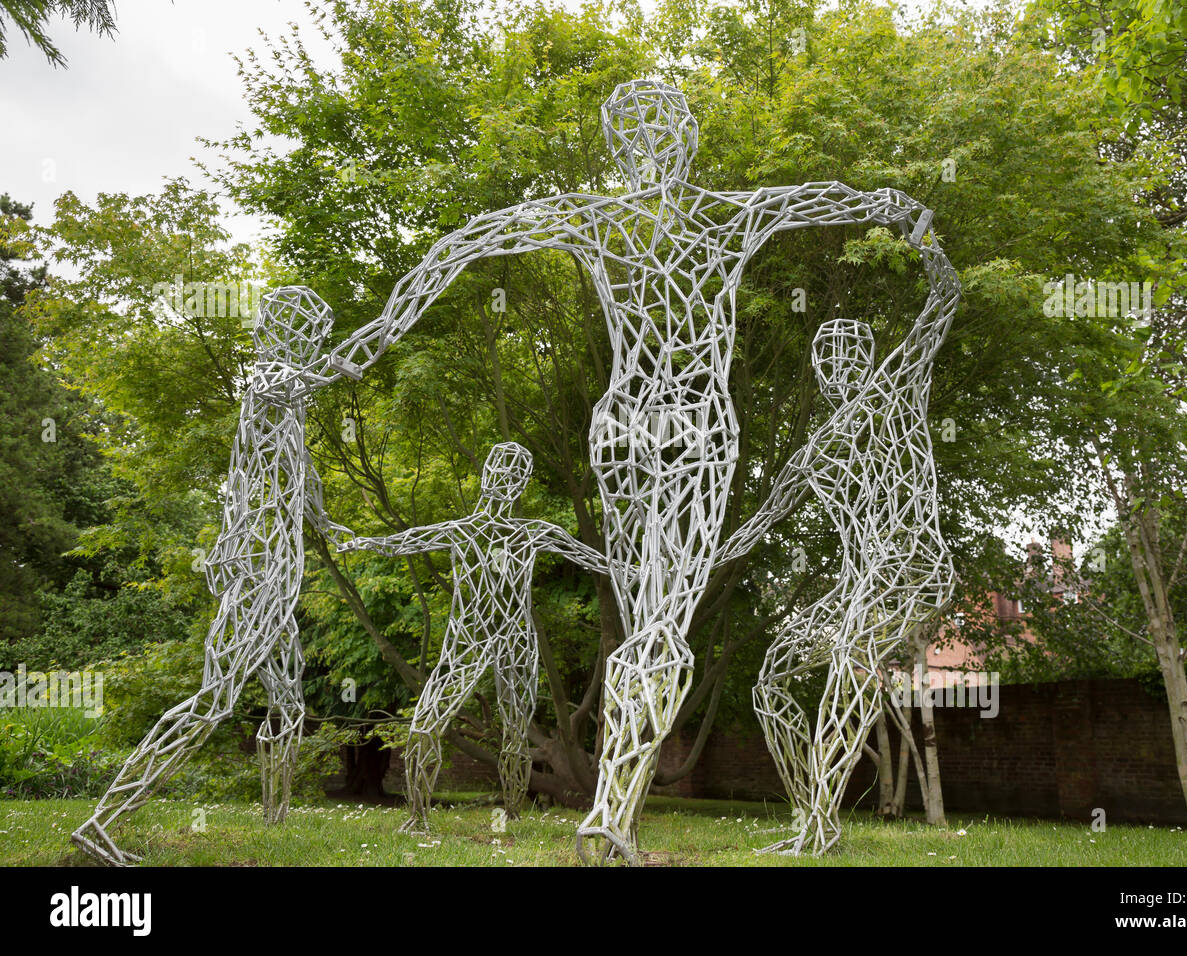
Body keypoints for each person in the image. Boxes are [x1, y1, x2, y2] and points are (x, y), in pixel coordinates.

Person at [318, 79, 959, 862]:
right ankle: (613, 816)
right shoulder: (604, 218)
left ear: (687, 136)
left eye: (662, 127)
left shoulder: (730, 214)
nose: (648, 143)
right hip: (627, 431)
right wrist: (367, 340)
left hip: (691, 433)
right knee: (651, 623)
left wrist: (895, 208)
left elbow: (822, 198)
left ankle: (613, 818)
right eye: (631, 132)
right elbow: (473, 240)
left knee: (658, 627)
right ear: (618, 147)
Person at [71, 287, 353, 866]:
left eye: (316, 334)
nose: (311, 343)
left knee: (289, 700)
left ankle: (277, 814)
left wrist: (332, 526)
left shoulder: (288, 409)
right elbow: (317, 376)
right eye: (305, 332)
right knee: (214, 699)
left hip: (275, 572)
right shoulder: (271, 381)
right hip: (257, 569)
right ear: (276, 333)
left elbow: (303, 478)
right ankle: (101, 824)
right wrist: (356, 350)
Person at [714, 296, 957, 854]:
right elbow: (760, 522)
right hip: (859, 583)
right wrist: (694, 564)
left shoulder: (896, 391)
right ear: (819, 368)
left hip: (908, 565)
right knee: (771, 682)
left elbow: (940, 304)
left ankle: (820, 828)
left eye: (853, 355)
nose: (841, 366)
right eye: (830, 357)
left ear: (870, 360)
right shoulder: (816, 451)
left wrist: (925, 246)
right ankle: (811, 815)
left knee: (847, 660)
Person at [338, 442, 608, 830]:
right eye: (500, 471)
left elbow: (592, 559)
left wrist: (643, 571)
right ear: (486, 476)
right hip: (469, 639)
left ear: (522, 485)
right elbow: (403, 542)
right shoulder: (462, 531)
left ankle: (513, 814)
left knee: (515, 732)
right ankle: (417, 817)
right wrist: (360, 542)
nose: (505, 480)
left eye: (514, 476)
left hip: (516, 640)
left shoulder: (533, 534)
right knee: (426, 722)